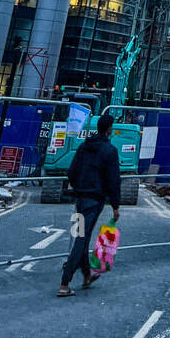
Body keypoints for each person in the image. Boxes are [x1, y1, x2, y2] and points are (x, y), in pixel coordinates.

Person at [58, 112, 120, 297]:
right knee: (81, 239)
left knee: (82, 235)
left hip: (80, 198)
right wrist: (115, 206)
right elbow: (113, 180)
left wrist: (78, 187)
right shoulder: (110, 151)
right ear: (109, 129)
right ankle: (64, 283)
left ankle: (86, 276)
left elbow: (72, 172)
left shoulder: (84, 147)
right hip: (95, 200)